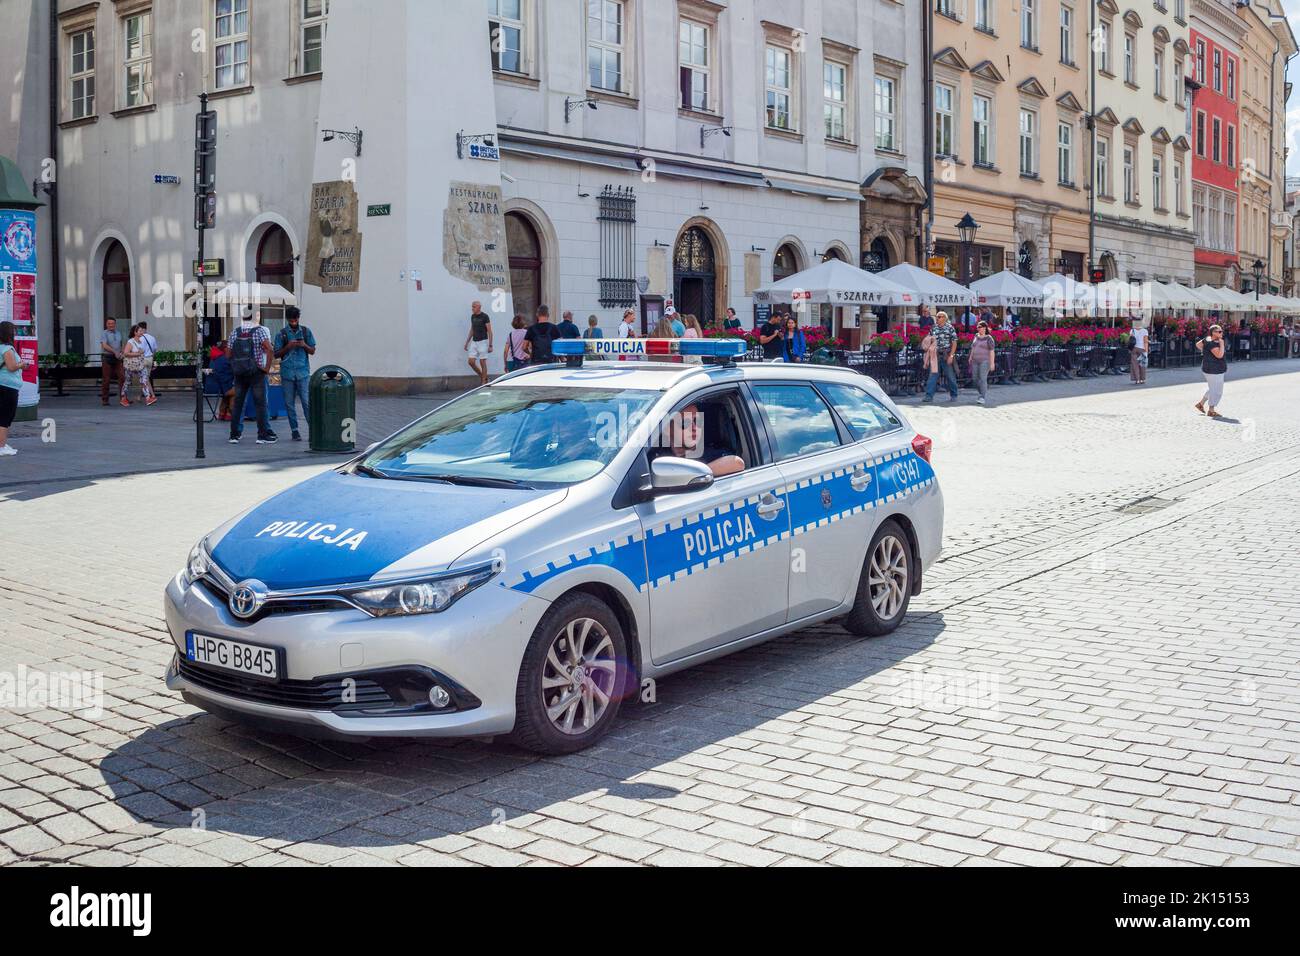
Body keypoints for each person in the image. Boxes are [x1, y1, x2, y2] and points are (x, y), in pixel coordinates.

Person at [228, 310, 277, 445]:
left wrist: (236, 364)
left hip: (239, 373)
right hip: (256, 372)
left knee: (238, 404)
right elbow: (269, 349)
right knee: (260, 404)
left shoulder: (234, 332)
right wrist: (266, 368)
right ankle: (262, 435)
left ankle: (234, 435)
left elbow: (228, 353)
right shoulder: (259, 331)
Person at [656, 402, 745, 478]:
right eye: (685, 423)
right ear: (667, 430)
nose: (694, 427)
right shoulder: (657, 458)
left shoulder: (711, 455)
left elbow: (737, 463)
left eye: (697, 421)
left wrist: (691, 475)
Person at [276, 306, 317, 439]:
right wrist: (288, 347)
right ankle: (294, 430)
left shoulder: (305, 331)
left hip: (302, 372)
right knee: (289, 403)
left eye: (295, 320)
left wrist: (304, 345)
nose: (294, 322)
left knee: (306, 401)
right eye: (291, 321)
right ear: (288, 320)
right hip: (287, 372)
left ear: (298, 318)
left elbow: (312, 351)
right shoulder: (281, 334)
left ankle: (313, 429)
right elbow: (276, 354)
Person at [0, 321, 26, 457]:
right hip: (8, 386)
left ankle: (2, 443)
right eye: (14, 331)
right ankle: (1, 446)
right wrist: (22, 364)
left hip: (2, 384)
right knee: (5, 416)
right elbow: (11, 367)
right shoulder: (7, 349)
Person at [923, 311, 959, 403]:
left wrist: (951, 355)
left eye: (939, 317)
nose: (937, 318)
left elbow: (954, 342)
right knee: (932, 376)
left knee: (950, 376)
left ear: (945, 318)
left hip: (946, 354)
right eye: (937, 316)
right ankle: (928, 396)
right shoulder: (933, 328)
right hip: (935, 355)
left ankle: (954, 395)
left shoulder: (950, 328)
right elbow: (929, 339)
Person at [1195, 324, 1228, 418]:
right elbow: (1219, 355)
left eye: (1221, 331)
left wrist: (1206, 352)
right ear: (1213, 333)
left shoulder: (1208, 339)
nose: (1221, 333)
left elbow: (1198, 344)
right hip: (1214, 369)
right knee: (1217, 391)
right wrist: (1221, 344)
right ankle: (1211, 410)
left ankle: (1201, 404)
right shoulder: (1212, 343)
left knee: (1213, 388)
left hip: (1211, 368)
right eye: (1219, 331)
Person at [122, 324, 156, 407]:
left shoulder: (141, 341)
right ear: (135, 332)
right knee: (127, 381)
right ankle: (123, 398)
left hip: (140, 364)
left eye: (142, 330)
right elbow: (126, 353)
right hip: (131, 365)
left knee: (144, 380)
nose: (141, 332)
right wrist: (138, 353)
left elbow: (143, 353)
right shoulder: (131, 341)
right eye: (140, 331)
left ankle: (148, 398)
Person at [462, 300, 493, 387]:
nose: (472, 309)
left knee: (482, 361)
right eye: (472, 307)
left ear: (479, 307)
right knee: (471, 362)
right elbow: (472, 329)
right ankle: (484, 377)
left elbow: (490, 331)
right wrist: (467, 342)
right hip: (474, 342)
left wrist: (490, 345)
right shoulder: (472, 316)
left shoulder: (485, 316)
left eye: (474, 307)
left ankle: (483, 383)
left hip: (483, 341)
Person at [968, 320, 996, 406]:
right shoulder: (976, 336)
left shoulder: (989, 338)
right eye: (977, 327)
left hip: (985, 361)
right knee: (975, 379)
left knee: (982, 378)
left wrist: (992, 363)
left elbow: (992, 351)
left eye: (979, 327)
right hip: (975, 360)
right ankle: (982, 392)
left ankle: (982, 397)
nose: (978, 328)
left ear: (984, 328)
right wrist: (970, 357)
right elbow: (973, 347)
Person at [99, 318, 125, 406]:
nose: (111, 325)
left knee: (122, 377)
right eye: (109, 323)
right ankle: (105, 400)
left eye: (113, 323)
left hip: (117, 358)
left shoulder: (118, 333)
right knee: (106, 379)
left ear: (115, 324)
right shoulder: (104, 333)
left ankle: (123, 398)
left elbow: (121, 344)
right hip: (107, 357)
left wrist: (121, 352)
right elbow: (104, 345)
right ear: (106, 324)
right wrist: (115, 351)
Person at [209, 339, 236, 421]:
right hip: (221, 389)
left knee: (228, 388)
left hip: (212, 388)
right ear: (225, 349)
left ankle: (222, 412)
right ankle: (230, 412)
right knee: (238, 389)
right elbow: (235, 371)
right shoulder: (226, 359)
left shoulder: (213, 358)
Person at [139, 320, 159, 398]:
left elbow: (139, 351)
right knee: (145, 378)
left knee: (145, 379)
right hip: (150, 359)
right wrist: (154, 362)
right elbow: (154, 351)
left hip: (143, 360)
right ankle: (141, 396)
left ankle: (151, 396)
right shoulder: (152, 338)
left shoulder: (140, 339)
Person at [1129, 317, 1149, 385]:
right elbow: (1146, 342)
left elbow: (1130, 340)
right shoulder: (1144, 331)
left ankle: (1137, 380)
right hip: (1142, 349)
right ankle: (1142, 379)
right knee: (1142, 365)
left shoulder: (1132, 330)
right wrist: (1146, 351)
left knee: (1135, 365)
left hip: (1134, 348)